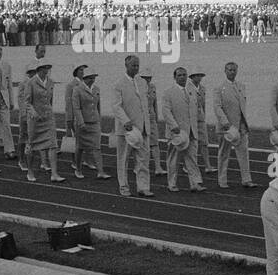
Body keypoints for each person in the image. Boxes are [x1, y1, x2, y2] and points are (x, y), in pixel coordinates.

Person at [110, 55, 153, 198]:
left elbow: (144, 106)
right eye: (133, 65)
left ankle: (143, 187)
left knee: (143, 160)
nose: (136, 68)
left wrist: (148, 124)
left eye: (137, 65)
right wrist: (125, 121)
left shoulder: (142, 83)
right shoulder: (118, 84)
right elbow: (116, 106)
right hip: (127, 129)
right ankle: (124, 186)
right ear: (126, 66)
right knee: (123, 159)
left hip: (143, 128)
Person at [159, 66, 204, 193]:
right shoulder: (168, 92)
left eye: (184, 75)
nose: (182, 77)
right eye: (179, 75)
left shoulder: (192, 91)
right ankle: (172, 184)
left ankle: (195, 183)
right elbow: (166, 111)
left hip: (191, 132)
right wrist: (174, 126)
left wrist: (198, 126)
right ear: (174, 77)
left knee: (192, 159)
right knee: (173, 160)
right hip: (177, 133)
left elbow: (197, 110)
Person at [214, 61, 254, 189]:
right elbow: (217, 107)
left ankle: (246, 179)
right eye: (230, 70)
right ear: (225, 71)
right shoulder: (219, 88)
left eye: (234, 70)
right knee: (224, 154)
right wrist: (225, 123)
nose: (232, 72)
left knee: (243, 153)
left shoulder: (241, 86)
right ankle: (222, 180)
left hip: (241, 126)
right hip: (227, 128)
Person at [25, 60, 64, 182]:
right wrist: (33, 112)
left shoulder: (51, 82)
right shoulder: (31, 83)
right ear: (39, 69)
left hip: (48, 118)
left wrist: (50, 112)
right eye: (45, 68)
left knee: (53, 144)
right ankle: (30, 171)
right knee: (32, 144)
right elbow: (27, 102)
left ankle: (54, 173)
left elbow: (50, 100)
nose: (47, 70)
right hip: (35, 120)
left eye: (48, 68)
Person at [71, 70, 111, 180]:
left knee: (97, 147)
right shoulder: (77, 89)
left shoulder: (96, 89)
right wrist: (81, 122)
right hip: (82, 124)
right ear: (85, 78)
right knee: (80, 148)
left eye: (94, 78)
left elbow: (98, 106)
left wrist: (99, 120)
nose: (93, 80)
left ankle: (101, 171)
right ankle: (78, 169)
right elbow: (76, 108)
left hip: (94, 123)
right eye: (91, 78)